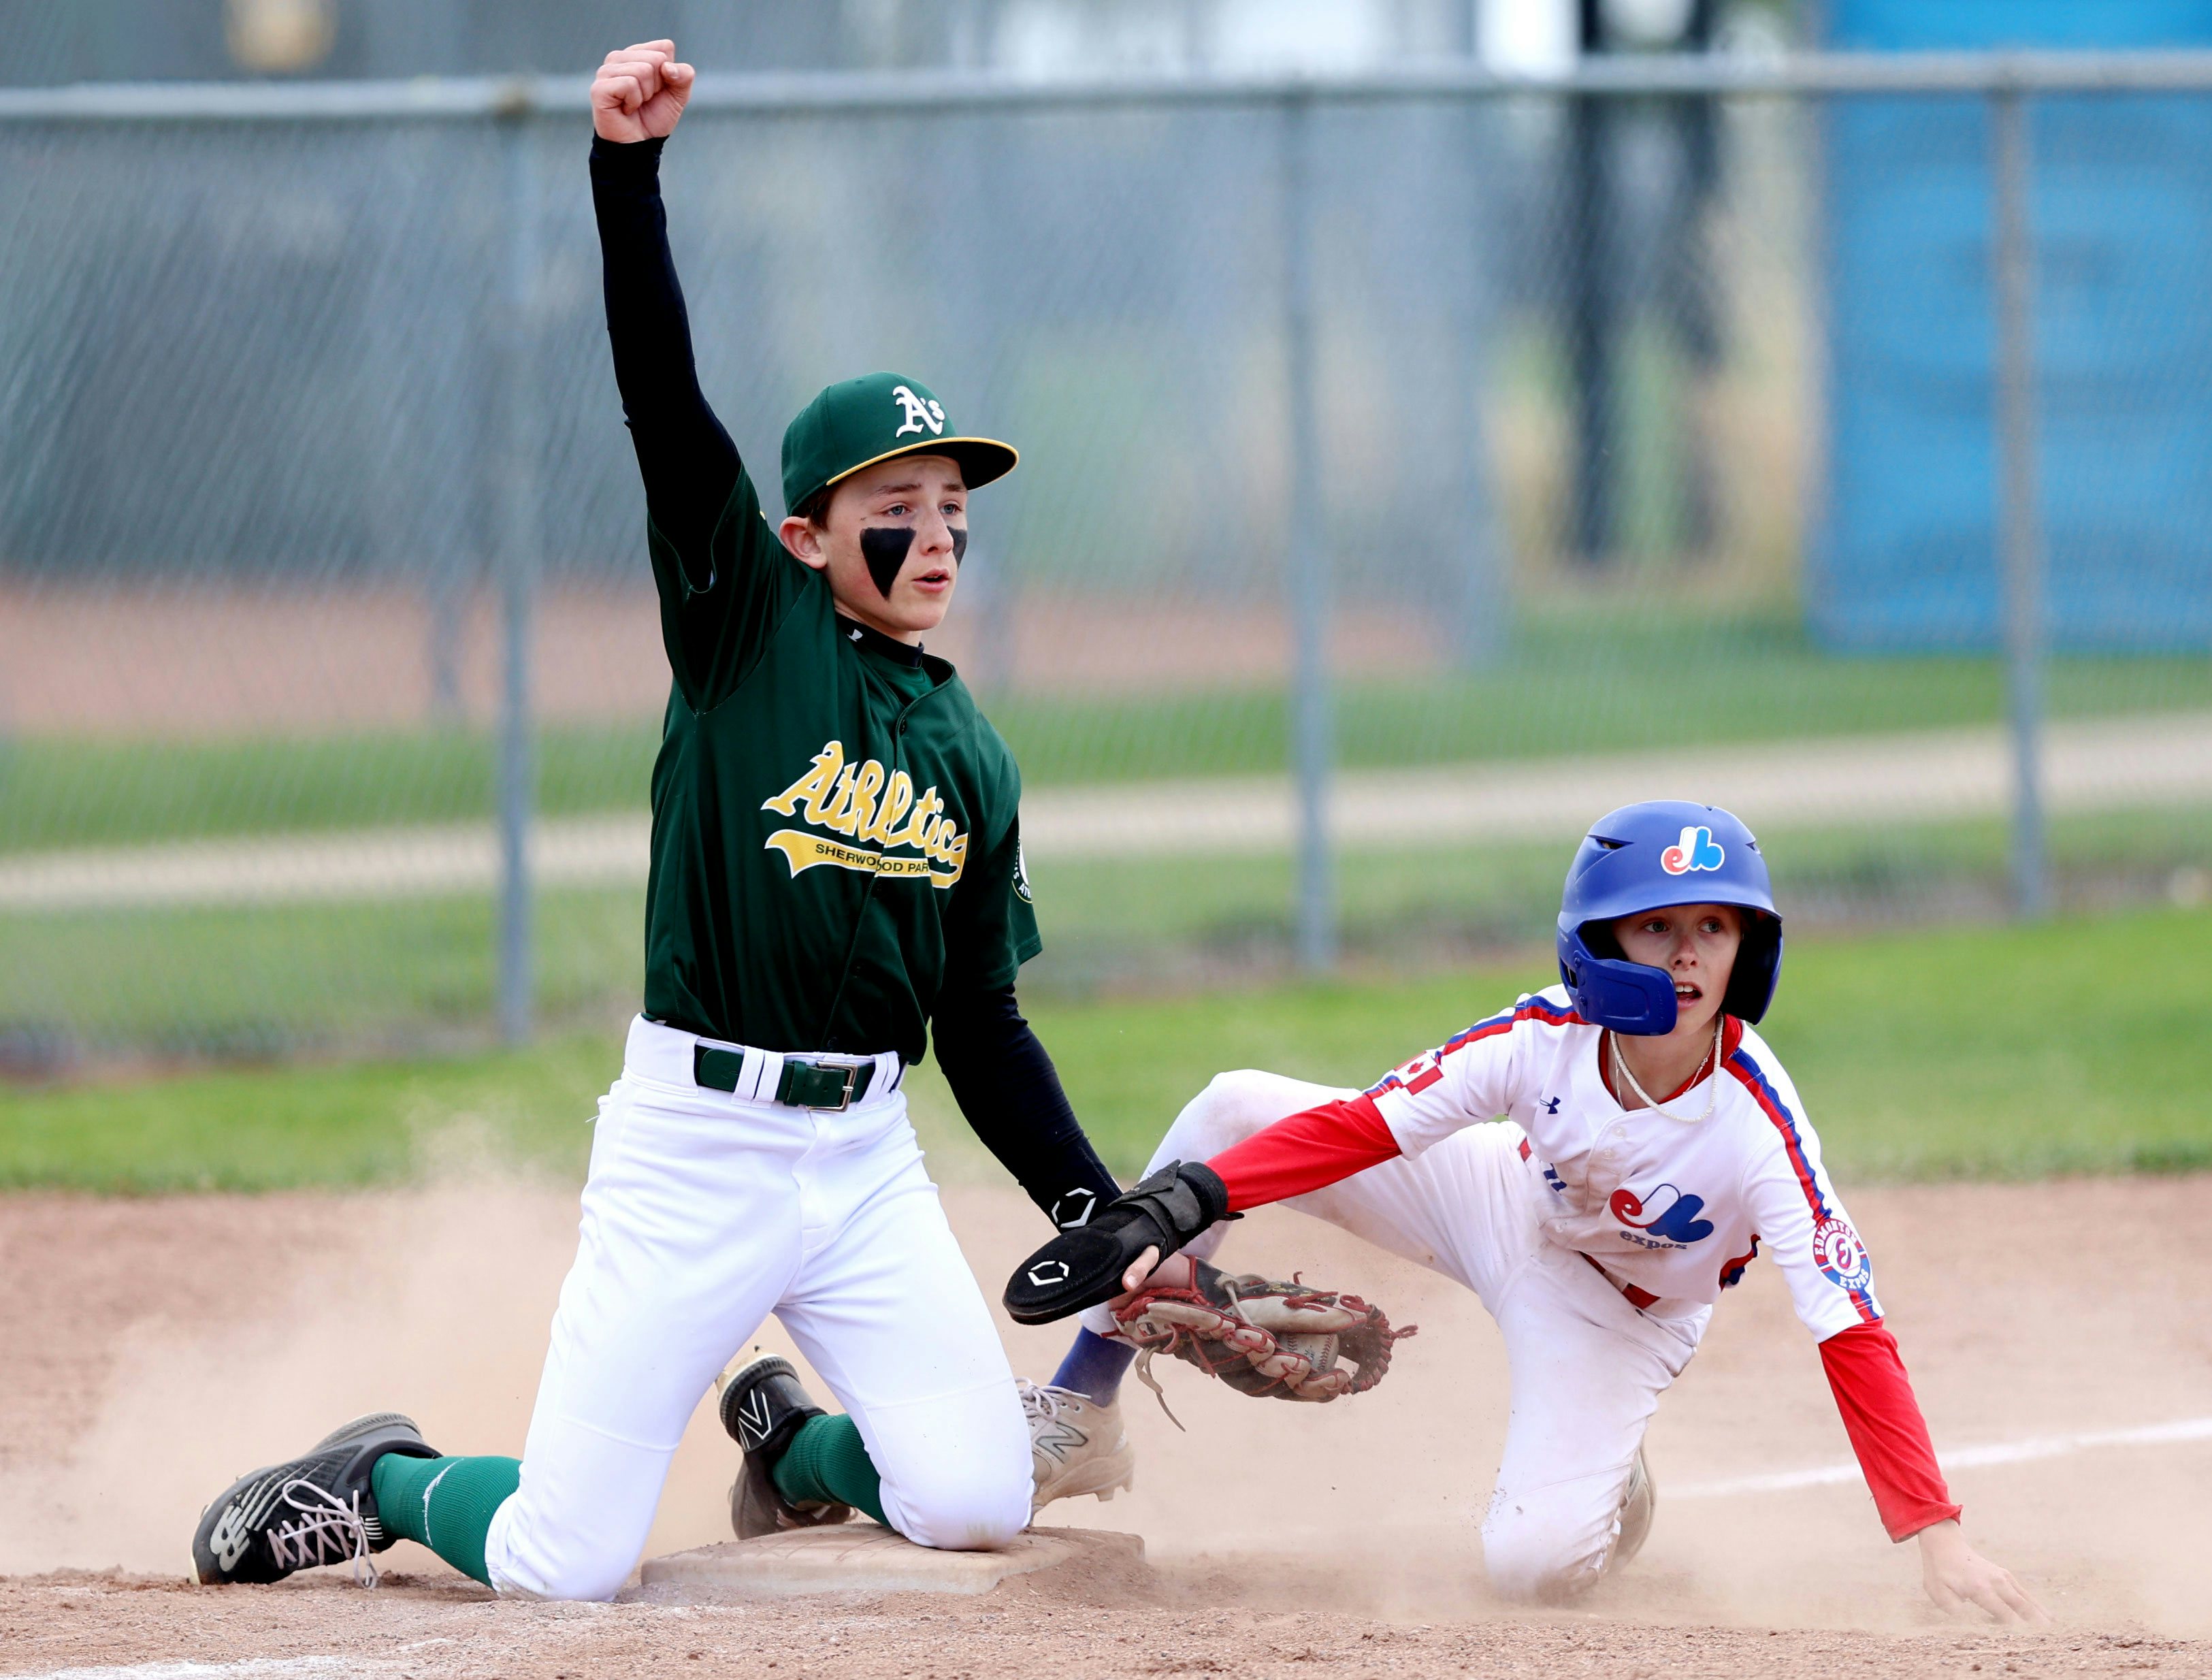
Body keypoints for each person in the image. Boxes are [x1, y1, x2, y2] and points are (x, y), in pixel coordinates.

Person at [189, 39, 1134, 1602]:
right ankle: (385, 1476)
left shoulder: (970, 747)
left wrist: (1092, 1207)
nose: (936, 527)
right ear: (799, 532)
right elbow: (658, 400)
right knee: (570, 1562)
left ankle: (789, 1451)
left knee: (972, 1496)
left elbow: (978, 1018)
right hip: (696, 1145)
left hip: (863, 1162)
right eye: (893, 501)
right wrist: (625, 176)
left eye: (955, 501)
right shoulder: (739, 626)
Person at [1020, 801, 2049, 1621]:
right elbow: (1367, 1128)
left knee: (1527, 1568)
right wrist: (1182, 1204)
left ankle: (1612, 1489)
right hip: (1501, 1203)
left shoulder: (1758, 1124)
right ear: (1598, 940)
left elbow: (1849, 1328)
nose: (1687, 956)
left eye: (1713, 926)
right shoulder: (1542, 1035)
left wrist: (1933, 1532)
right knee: (1233, 1106)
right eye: (1656, 926)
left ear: (1751, 949)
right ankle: (1081, 1407)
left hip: (1620, 1318)